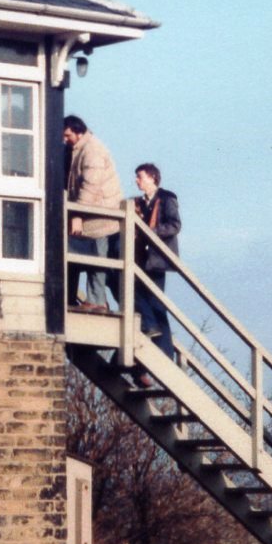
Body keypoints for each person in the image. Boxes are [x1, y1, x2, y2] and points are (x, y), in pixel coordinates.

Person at [63, 115, 122, 312]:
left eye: (68, 135)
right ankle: (95, 299)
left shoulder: (92, 151)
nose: (65, 139)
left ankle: (97, 301)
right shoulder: (82, 149)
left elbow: (90, 185)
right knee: (90, 259)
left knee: (97, 260)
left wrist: (77, 215)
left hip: (99, 217)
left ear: (78, 132)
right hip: (94, 215)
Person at [132, 163, 180, 362]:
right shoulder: (138, 202)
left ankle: (166, 353)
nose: (137, 180)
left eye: (140, 176)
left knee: (156, 304)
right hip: (141, 259)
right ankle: (158, 344)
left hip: (157, 260)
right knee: (139, 297)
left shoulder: (167, 197)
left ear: (152, 177)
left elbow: (175, 225)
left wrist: (151, 232)